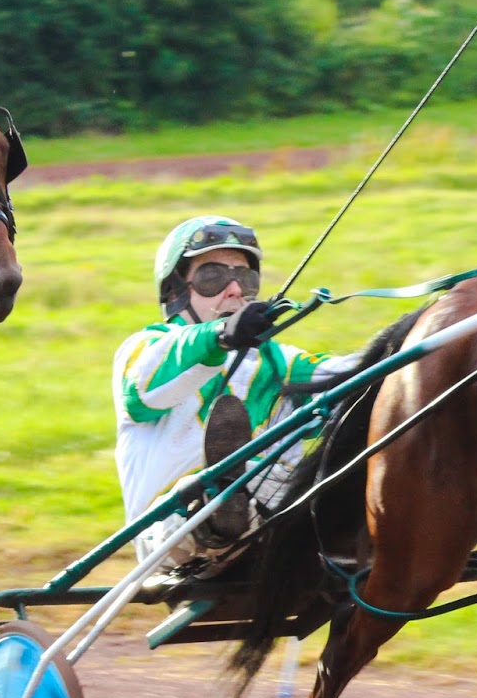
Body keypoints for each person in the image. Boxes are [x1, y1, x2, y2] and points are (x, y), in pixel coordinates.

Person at [112, 216, 361, 569]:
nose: (234, 290)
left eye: (245, 278)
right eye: (212, 276)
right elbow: (143, 394)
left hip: (277, 526)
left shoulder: (280, 362)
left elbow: (346, 377)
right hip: (170, 533)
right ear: (175, 290)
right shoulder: (146, 348)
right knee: (216, 497)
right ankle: (226, 498)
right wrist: (221, 336)